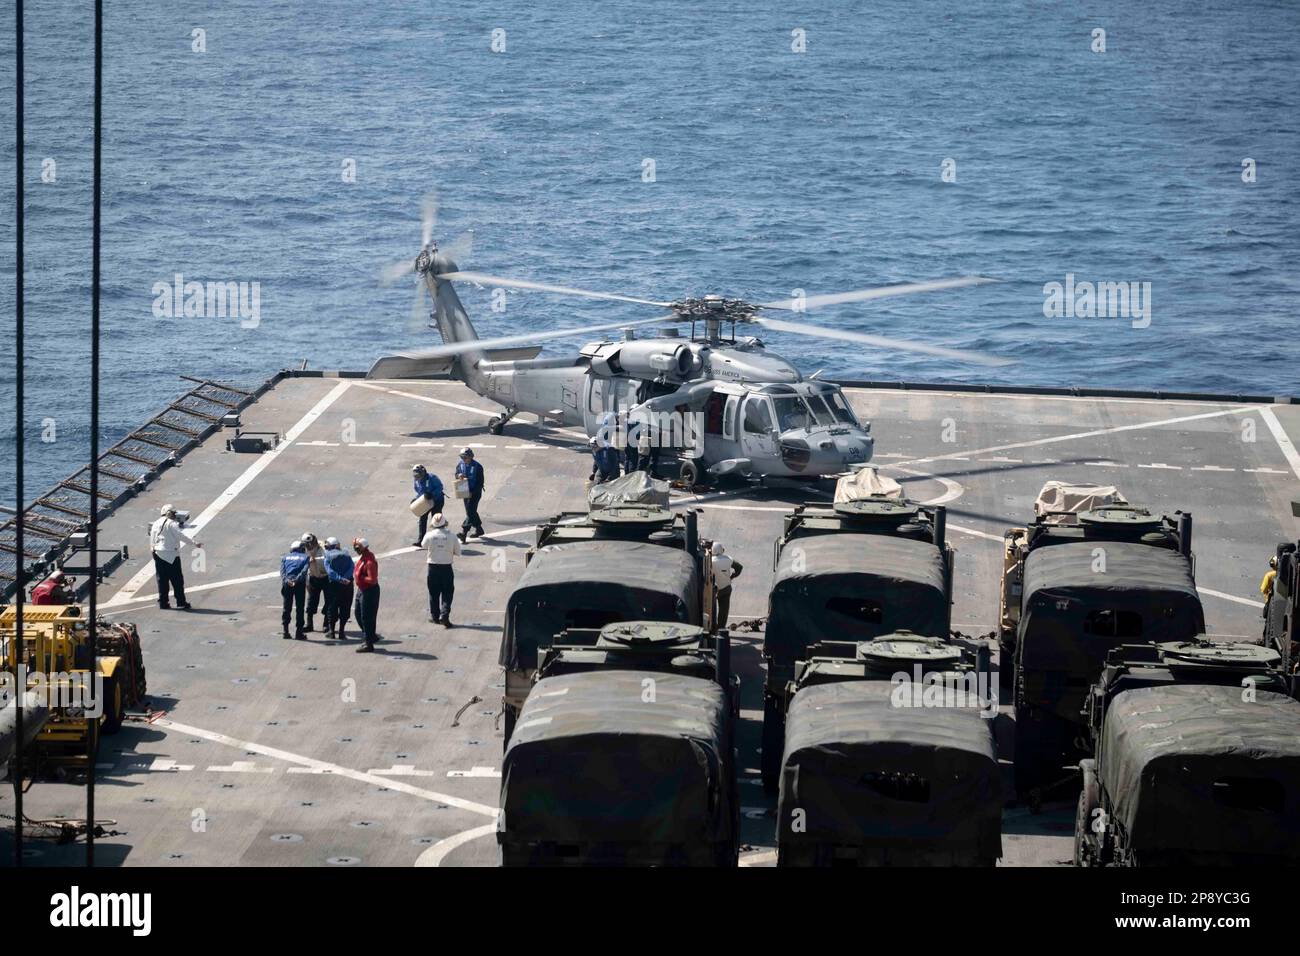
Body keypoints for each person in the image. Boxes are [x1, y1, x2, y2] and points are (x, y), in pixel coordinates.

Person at [150, 504, 201, 610]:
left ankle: (163, 603)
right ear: (169, 513)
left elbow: (152, 540)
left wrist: (153, 552)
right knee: (177, 580)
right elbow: (180, 536)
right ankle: (181, 602)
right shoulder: (171, 524)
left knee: (162, 580)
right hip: (171, 556)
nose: (174, 515)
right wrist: (194, 543)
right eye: (173, 513)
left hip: (158, 554)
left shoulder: (155, 523)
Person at [421, 512, 462, 627]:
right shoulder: (452, 536)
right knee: (447, 592)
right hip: (446, 567)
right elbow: (459, 552)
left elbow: (423, 545)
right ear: (445, 523)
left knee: (433, 592)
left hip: (432, 567)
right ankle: (444, 614)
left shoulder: (429, 535)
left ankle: (435, 616)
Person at [322, 536, 354, 639]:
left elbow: (329, 571)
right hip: (347, 584)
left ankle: (331, 631)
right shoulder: (346, 553)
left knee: (332, 607)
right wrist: (345, 578)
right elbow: (352, 567)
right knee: (345, 607)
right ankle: (341, 631)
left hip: (334, 585)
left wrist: (339, 578)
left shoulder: (327, 555)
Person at [353, 537, 381, 653]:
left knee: (367, 617)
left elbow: (373, 579)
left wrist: (361, 577)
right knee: (358, 614)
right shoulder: (363, 557)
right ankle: (370, 635)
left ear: (364, 548)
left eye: (358, 547)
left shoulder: (369, 562)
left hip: (369, 591)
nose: (356, 549)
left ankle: (368, 643)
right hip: (362, 590)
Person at [280, 540, 310, 640]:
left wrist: (287, 580)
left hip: (287, 584)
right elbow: (304, 571)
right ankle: (299, 632)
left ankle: (285, 631)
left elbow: (282, 572)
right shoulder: (305, 557)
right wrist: (296, 580)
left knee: (286, 607)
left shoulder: (285, 557)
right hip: (299, 584)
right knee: (300, 608)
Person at [455, 448, 486, 543]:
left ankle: (464, 533)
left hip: (475, 493)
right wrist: (458, 475)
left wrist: (473, 491)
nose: (463, 459)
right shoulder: (460, 464)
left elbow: (480, 482)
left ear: (471, 457)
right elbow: (456, 473)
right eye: (462, 457)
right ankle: (479, 529)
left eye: (465, 457)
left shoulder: (478, 466)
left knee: (470, 511)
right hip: (464, 491)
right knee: (470, 512)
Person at [710, 542, 744, 628]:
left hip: (712, 589)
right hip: (726, 588)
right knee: (723, 610)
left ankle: (712, 627)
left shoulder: (710, 561)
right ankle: (721, 628)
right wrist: (732, 576)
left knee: (711, 609)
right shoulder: (728, 559)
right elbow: (739, 567)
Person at [411, 464, 445, 546]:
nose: (416, 476)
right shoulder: (416, 480)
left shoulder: (432, 477)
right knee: (422, 519)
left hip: (437, 501)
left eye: (418, 474)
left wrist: (431, 494)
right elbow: (419, 491)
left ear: (422, 473)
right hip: (426, 502)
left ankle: (439, 540)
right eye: (415, 474)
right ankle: (421, 540)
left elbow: (440, 487)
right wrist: (416, 499)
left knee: (437, 520)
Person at [301, 532, 328, 633]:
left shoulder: (324, 548)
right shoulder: (304, 550)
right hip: (313, 577)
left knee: (328, 601)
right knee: (311, 601)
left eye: (310, 544)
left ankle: (327, 624)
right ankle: (309, 624)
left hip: (326, 577)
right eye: (306, 545)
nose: (308, 547)